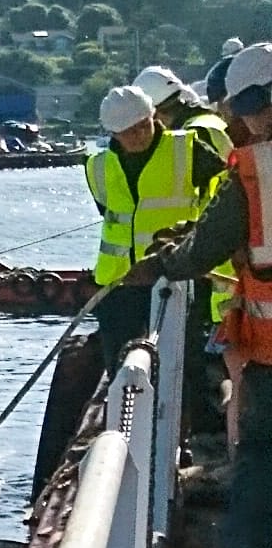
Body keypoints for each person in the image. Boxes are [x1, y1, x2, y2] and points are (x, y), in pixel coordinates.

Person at [134, 41, 272, 548]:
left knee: (261, 453)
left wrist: (165, 260)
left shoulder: (255, 173)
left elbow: (205, 248)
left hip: (268, 350)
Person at [87, 82, 224, 373]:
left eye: (143, 125)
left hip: (177, 275)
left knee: (181, 365)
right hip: (119, 283)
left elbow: (222, 198)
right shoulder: (98, 166)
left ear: (154, 117)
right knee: (119, 366)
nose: (138, 135)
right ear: (112, 133)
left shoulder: (187, 150)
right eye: (128, 130)